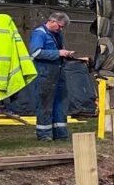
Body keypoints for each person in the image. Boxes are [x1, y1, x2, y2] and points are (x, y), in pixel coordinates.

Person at [28, 11, 87, 142]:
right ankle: (44, 134)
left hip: (58, 72)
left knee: (60, 103)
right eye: (60, 26)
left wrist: (67, 54)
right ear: (53, 21)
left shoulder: (57, 34)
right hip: (45, 73)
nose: (61, 29)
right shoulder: (39, 34)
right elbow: (35, 53)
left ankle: (61, 133)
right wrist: (58, 53)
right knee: (45, 104)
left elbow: (60, 49)